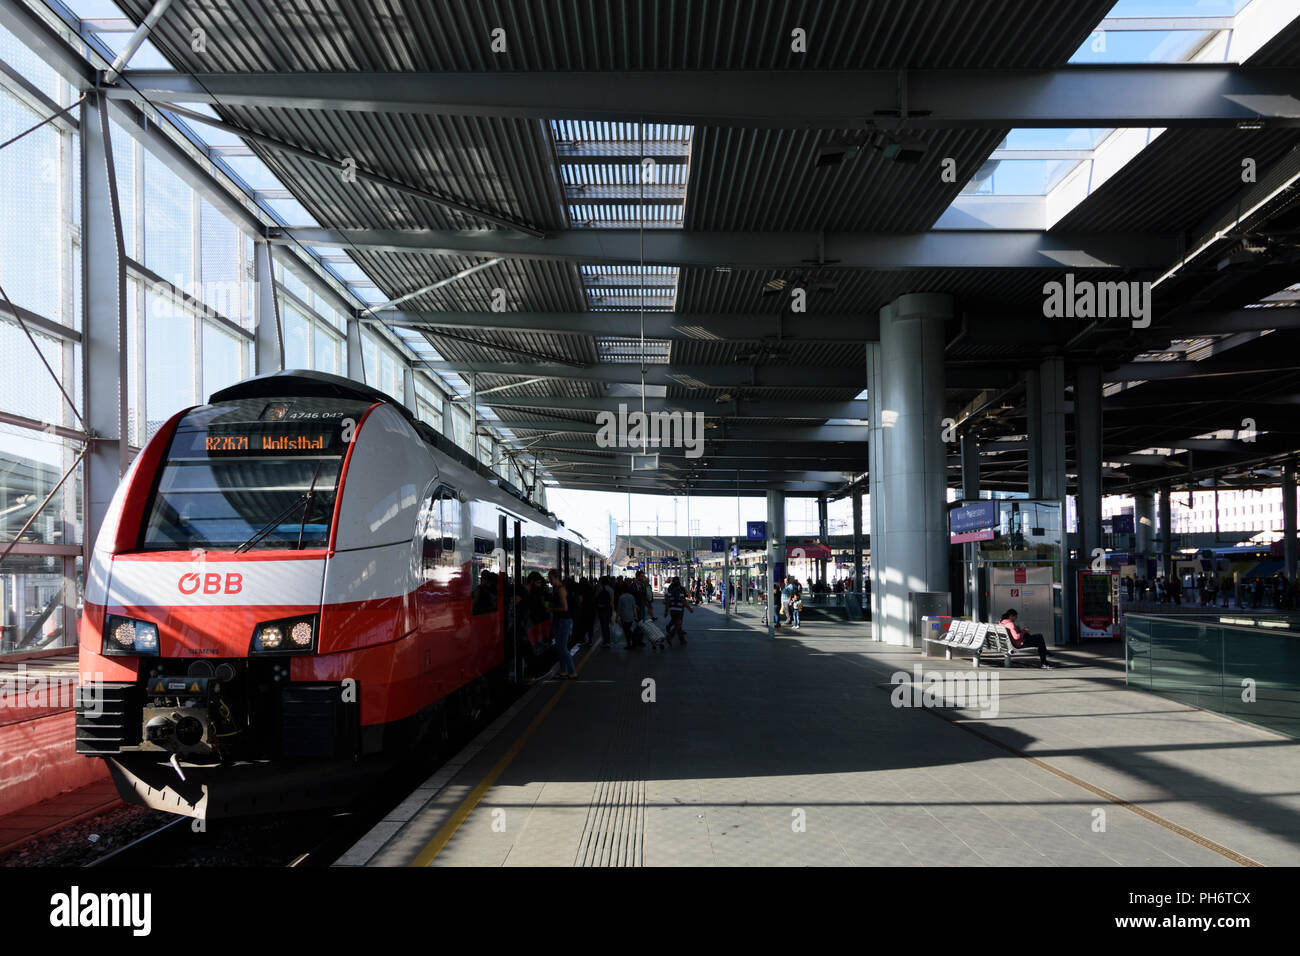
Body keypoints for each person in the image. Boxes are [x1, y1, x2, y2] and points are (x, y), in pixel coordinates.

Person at [548, 569, 576, 679]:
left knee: (563, 647)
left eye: (550, 578)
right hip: (559, 620)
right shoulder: (556, 589)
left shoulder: (561, 590)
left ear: (556, 578)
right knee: (560, 647)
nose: (549, 580)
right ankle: (564, 671)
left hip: (564, 621)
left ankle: (573, 671)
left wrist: (551, 609)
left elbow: (565, 608)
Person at [663, 576, 693, 644]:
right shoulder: (680, 591)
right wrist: (690, 609)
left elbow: (668, 602)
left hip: (672, 610)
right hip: (679, 610)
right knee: (678, 625)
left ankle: (682, 640)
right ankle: (670, 636)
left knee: (676, 623)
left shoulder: (670, 590)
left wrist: (666, 611)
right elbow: (683, 601)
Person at [616, 580, 640, 649]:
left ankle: (630, 643)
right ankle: (633, 641)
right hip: (631, 617)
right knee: (628, 630)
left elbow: (619, 609)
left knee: (626, 631)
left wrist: (616, 618)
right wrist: (636, 616)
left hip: (624, 617)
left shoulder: (621, 597)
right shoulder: (632, 597)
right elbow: (634, 608)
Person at [595, 575, 614, 647]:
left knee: (603, 625)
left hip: (602, 609)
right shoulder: (611, 589)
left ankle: (605, 641)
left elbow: (596, 597)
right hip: (609, 609)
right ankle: (608, 640)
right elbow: (612, 601)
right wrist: (613, 610)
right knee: (607, 625)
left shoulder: (599, 588)